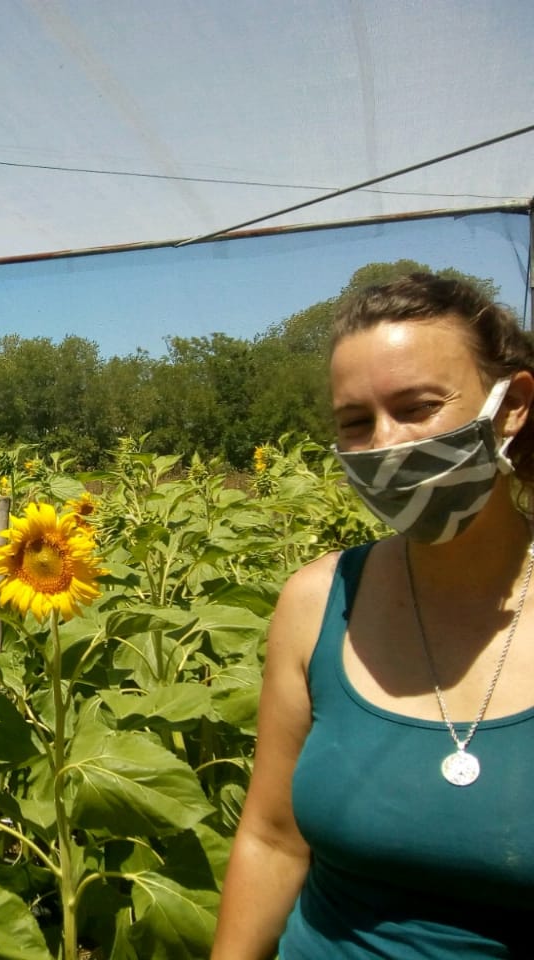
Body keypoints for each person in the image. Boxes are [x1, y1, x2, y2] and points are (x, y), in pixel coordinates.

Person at [211, 271, 534, 958]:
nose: (385, 443)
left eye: (418, 407)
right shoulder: (319, 602)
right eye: (356, 422)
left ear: (512, 406)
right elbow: (271, 840)